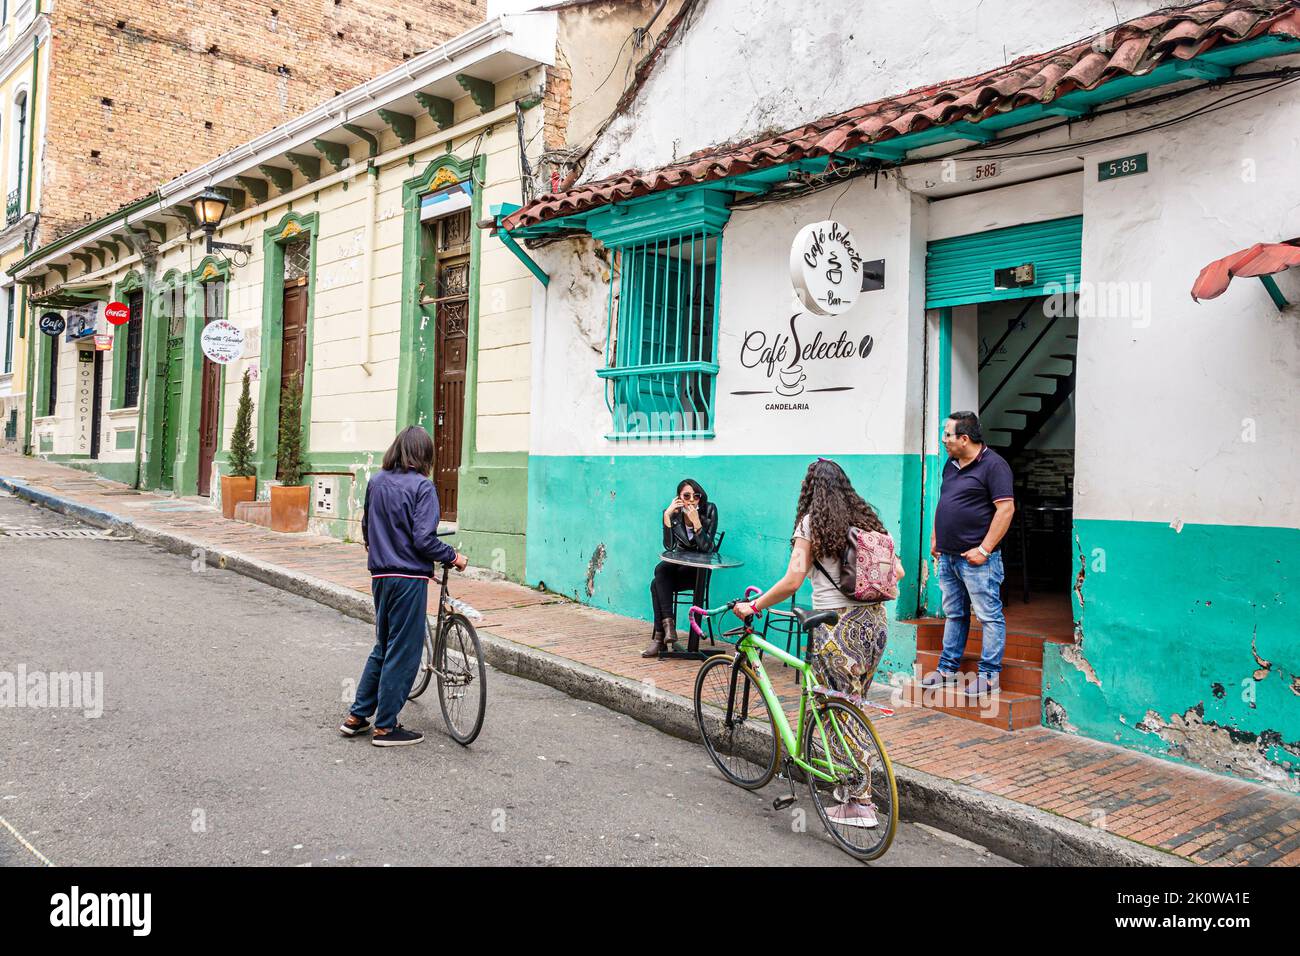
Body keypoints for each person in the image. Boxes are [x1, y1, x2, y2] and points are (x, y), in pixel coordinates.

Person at [732, 458, 903, 828]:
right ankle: (846, 786)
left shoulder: (811, 524)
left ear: (809, 490)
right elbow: (899, 572)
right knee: (848, 706)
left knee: (840, 712)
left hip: (836, 626)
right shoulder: (868, 522)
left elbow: (794, 579)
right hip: (874, 624)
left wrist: (755, 605)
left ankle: (861, 802)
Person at [339, 426, 468, 746]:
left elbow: (367, 528)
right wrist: (453, 556)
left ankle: (357, 716)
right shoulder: (423, 487)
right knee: (405, 651)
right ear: (424, 455)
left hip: (380, 577)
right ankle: (385, 726)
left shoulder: (377, 482)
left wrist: (387, 554)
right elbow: (424, 539)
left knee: (384, 645)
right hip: (408, 580)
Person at [920, 410, 1015, 698]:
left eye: (948, 434)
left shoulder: (994, 466)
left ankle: (988, 677)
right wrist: (936, 538)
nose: (943, 439)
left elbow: (1006, 509)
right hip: (948, 557)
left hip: (978, 560)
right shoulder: (951, 464)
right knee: (954, 614)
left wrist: (985, 549)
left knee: (989, 616)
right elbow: (944, 502)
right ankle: (948, 670)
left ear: (964, 438)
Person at [641, 478, 718, 658]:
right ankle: (667, 631)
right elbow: (669, 547)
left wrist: (697, 523)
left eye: (695, 496)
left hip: (697, 573)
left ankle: (661, 637)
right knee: (660, 574)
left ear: (700, 498)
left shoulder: (709, 510)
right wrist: (666, 517)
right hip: (677, 570)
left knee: (657, 581)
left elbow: (708, 549)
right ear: (679, 498)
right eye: (686, 496)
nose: (691, 500)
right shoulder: (674, 514)